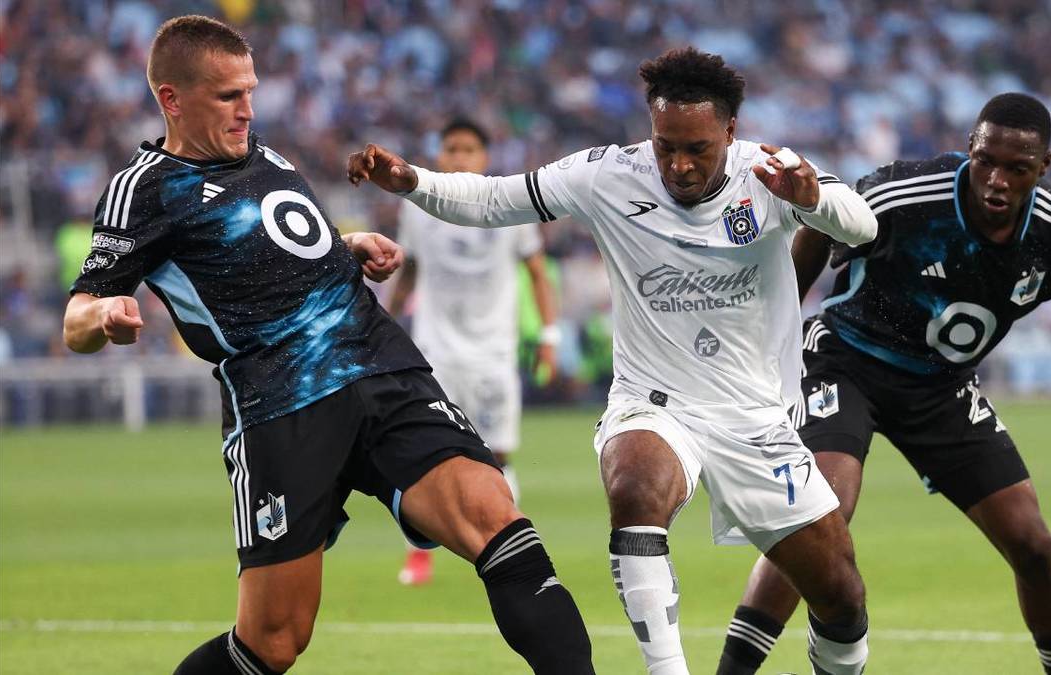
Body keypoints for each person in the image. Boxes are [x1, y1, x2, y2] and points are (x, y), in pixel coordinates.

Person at [61, 16, 593, 675]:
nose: (247, 109)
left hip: (380, 365)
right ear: (172, 99)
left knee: (496, 519)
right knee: (273, 641)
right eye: (228, 96)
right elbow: (76, 317)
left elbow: (276, 250)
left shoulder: (267, 157)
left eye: (250, 91)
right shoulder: (143, 189)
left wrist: (347, 248)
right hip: (282, 404)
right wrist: (104, 312)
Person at [350, 47, 878, 675]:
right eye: (665, 145)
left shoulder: (772, 173)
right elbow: (494, 199)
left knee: (841, 597)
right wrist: (411, 180)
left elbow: (862, 227)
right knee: (634, 485)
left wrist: (814, 200)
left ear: (730, 132)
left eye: (697, 149)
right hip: (653, 400)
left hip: (754, 414)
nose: (678, 165)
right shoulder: (608, 174)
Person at [714, 93, 1051, 675]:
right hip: (846, 360)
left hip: (941, 388)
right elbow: (821, 226)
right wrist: (773, 346)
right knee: (819, 518)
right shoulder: (904, 194)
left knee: (1032, 543)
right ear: (970, 149)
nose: (996, 180)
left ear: (1045, 166)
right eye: (986, 161)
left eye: (1017, 168)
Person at [386, 118, 559, 585]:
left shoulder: (510, 203)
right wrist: (383, 324)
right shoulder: (417, 207)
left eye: (469, 150)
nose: (460, 158)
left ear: (485, 158)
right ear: (439, 156)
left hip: (493, 353)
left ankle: (511, 548)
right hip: (434, 352)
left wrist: (549, 337)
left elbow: (538, 272)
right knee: (425, 454)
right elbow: (408, 273)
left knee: (498, 454)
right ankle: (419, 555)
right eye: (451, 149)